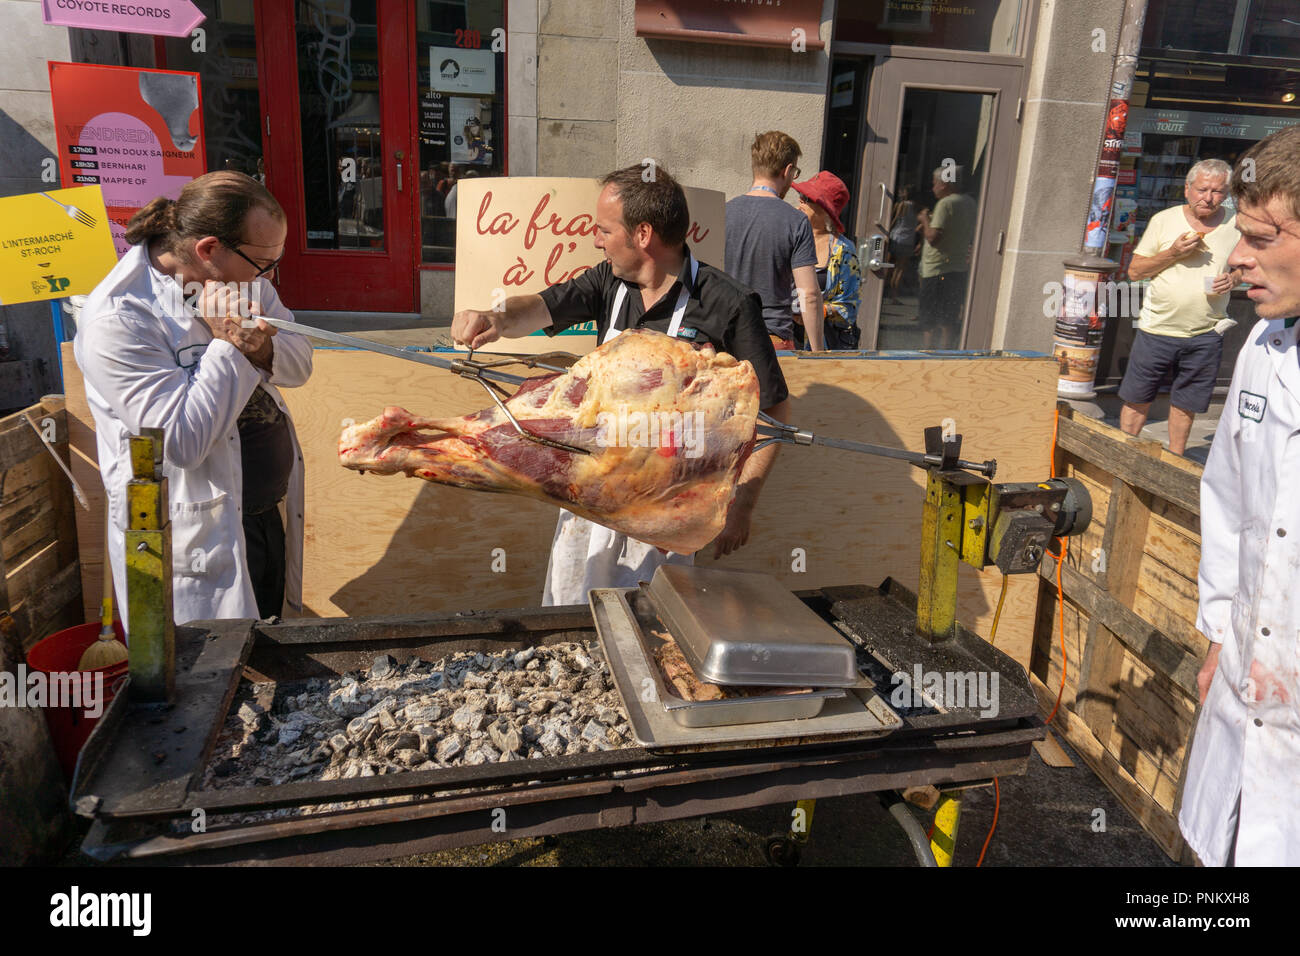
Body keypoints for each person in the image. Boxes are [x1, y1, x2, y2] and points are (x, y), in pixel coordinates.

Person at [450, 164, 790, 606]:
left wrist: (741, 504)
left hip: (665, 509)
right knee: (572, 621)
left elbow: (774, 415)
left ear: (643, 234)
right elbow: (536, 309)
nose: (596, 240)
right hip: (589, 499)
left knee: (649, 631)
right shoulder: (608, 283)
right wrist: (494, 318)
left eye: (604, 230)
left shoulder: (728, 303)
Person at [74, 171, 313, 625]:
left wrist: (262, 346)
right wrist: (229, 342)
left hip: (262, 517)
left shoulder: (243, 278)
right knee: (205, 677)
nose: (269, 276)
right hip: (195, 535)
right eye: (264, 263)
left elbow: (300, 361)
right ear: (208, 250)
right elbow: (181, 441)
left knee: (269, 651)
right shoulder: (120, 318)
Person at [1179, 127, 1300, 866]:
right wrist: (1223, 631)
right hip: (1241, 695)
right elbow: (1227, 501)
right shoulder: (1262, 347)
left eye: (1258, 236)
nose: (1236, 258)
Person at [1118, 159, 1239, 456]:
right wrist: (1172, 253)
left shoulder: (1237, 224)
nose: (1208, 197)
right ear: (1187, 189)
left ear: (1227, 194)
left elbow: (1253, 266)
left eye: (1217, 191)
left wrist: (1235, 278)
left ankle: (1175, 460)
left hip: (1206, 331)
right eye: (1202, 189)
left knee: (1186, 403)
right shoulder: (1164, 220)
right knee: (1137, 398)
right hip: (1156, 328)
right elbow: (1135, 271)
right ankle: (1121, 455)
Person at [725, 131, 824, 351]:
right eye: (795, 172)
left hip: (725, 338)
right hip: (772, 341)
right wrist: (819, 352)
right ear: (787, 170)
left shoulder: (722, 213)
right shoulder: (796, 221)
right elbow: (808, 294)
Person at [791, 171, 861, 349]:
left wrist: (818, 310)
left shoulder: (843, 250)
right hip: (786, 337)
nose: (801, 201)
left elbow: (849, 306)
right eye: (801, 196)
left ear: (826, 210)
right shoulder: (788, 237)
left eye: (808, 198)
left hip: (824, 343)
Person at [916, 165, 977, 348]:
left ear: (944, 184)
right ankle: (946, 354)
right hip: (957, 267)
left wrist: (924, 219)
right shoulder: (969, 202)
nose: (933, 187)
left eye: (934, 183)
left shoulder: (945, 203)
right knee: (948, 317)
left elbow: (933, 237)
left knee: (929, 317)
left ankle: (927, 354)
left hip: (936, 268)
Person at [888, 184, 918, 297]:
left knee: (890, 266)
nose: (899, 193)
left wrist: (886, 232)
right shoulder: (916, 207)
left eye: (902, 191)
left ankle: (888, 292)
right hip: (908, 240)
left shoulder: (901, 205)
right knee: (900, 269)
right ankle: (894, 295)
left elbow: (895, 220)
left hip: (896, 237)